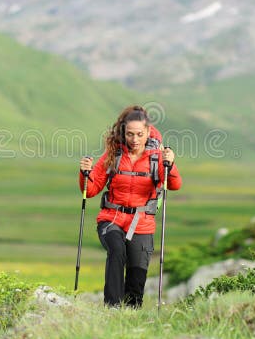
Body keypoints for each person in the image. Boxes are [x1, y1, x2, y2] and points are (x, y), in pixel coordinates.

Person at [78, 105, 182, 308]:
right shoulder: (113, 155)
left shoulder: (157, 157)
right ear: (123, 132)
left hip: (142, 223)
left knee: (135, 285)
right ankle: (112, 308)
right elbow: (90, 190)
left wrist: (171, 163)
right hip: (111, 219)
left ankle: (130, 316)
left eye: (140, 134)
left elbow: (175, 185)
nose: (135, 139)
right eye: (130, 134)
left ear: (148, 132)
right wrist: (85, 173)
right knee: (117, 251)